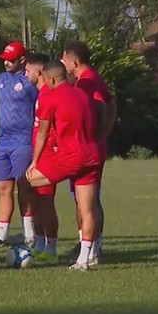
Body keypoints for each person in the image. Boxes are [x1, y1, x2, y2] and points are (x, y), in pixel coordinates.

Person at [24, 61, 103, 271]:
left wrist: (35, 162)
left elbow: (42, 132)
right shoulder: (82, 95)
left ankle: (42, 241)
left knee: (29, 181)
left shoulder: (51, 97)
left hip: (71, 157)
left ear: (50, 79)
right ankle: (85, 259)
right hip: (92, 155)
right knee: (87, 209)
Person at [62, 40, 116, 264]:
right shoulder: (93, 78)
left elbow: (103, 107)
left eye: (64, 59)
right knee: (89, 199)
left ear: (74, 62)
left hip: (87, 148)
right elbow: (112, 103)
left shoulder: (86, 82)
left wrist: (97, 135)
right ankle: (92, 244)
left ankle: (92, 246)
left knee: (86, 201)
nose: (62, 63)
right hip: (93, 145)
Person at [0, 41, 39, 249]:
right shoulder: (0, 79)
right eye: (4, 59)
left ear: (22, 60)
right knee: (3, 187)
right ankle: (2, 235)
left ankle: (29, 233)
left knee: (23, 186)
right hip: (3, 141)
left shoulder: (29, 82)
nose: (6, 63)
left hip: (23, 139)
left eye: (10, 60)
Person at [23, 52, 60, 261]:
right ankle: (39, 244)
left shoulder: (48, 93)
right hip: (39, 154)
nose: (25, 74)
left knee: (46, 201)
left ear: (39, 72)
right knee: (35, 198)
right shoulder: (41, 94)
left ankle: (51, 248)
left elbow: (48, 130)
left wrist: (40, 157)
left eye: (28, 70)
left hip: (47, 155)